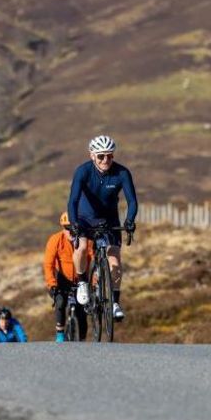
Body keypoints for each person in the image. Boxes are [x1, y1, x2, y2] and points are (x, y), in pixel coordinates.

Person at [66, 134, 138, 321]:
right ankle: (82, 282)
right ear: (92, 156)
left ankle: (114, 303)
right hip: (84, 218)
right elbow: (73, 201)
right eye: (101, 156)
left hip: (109, 219)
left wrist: (129, 220)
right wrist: (74, 223)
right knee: (82, 247)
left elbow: (132, 201)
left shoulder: (122, 173)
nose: (106, 160)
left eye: (110, 155)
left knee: (115, 259)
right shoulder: (83, 171)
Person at [45, 212, 93, 342]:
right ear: (63, 228)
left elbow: (94, 261)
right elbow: (48, 264)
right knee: (60, 302)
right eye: (67, 228)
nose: (70, 231)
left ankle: (82, 339)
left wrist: (94, 282)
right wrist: (52, 284)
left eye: (72, 228)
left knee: (81, 312)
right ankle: (60, 334)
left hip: (81, 280)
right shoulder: (55, 240)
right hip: (62, 279)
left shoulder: (86, 241)